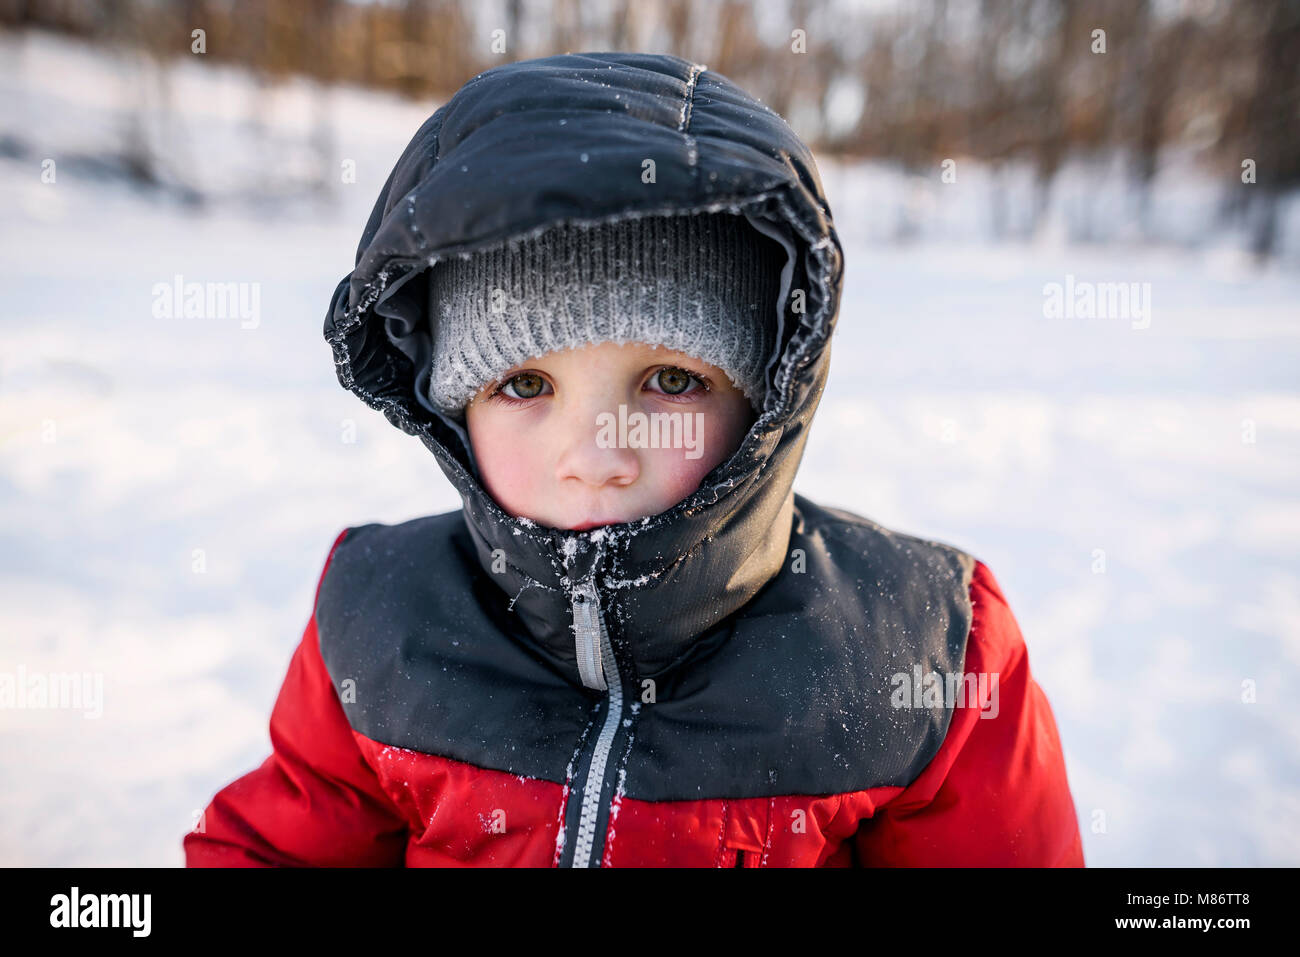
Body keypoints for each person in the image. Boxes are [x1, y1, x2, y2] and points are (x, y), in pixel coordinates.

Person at [184, 52, 1084, 867]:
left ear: (767, 398)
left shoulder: (925, 651)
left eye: (670, 380)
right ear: (453, 407)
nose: (596, 456)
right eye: (525, 387)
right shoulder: (382, 620)